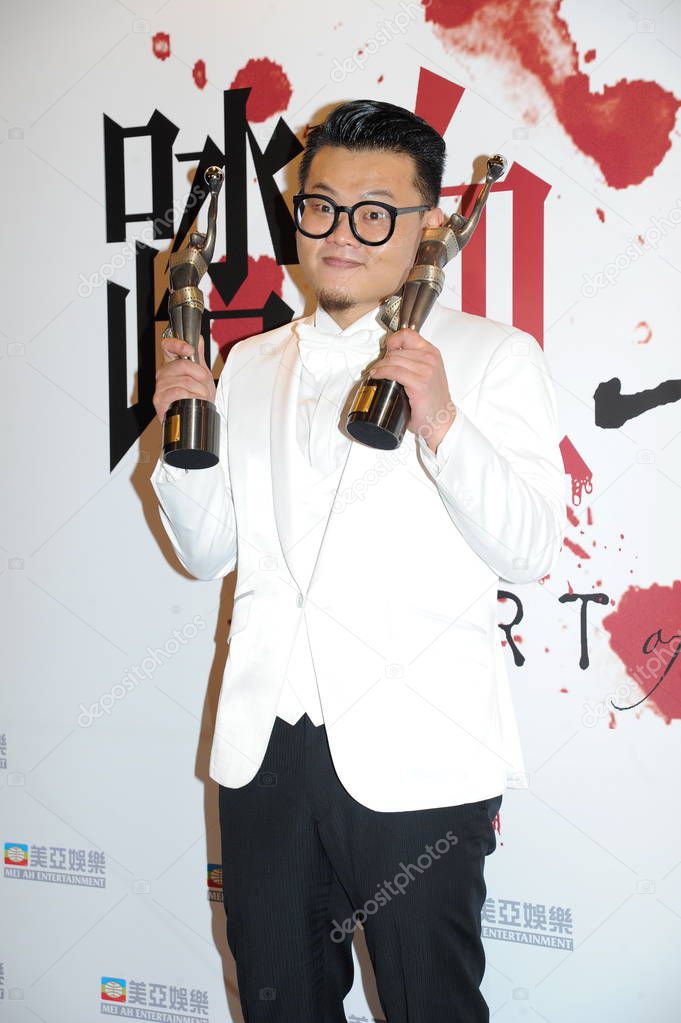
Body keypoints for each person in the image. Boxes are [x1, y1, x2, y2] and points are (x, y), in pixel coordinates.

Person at [150, 99, 567, 1023]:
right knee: (278, 1002)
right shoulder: (249, 361)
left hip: (415, 758)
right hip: (264, 753)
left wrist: (441, 422)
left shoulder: (490, 357)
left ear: (425, 227)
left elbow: (532, 548)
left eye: (375, 212)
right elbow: (205, 549)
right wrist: (182, 440)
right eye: (320, 206)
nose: (341, 234)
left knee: (430, 1005)